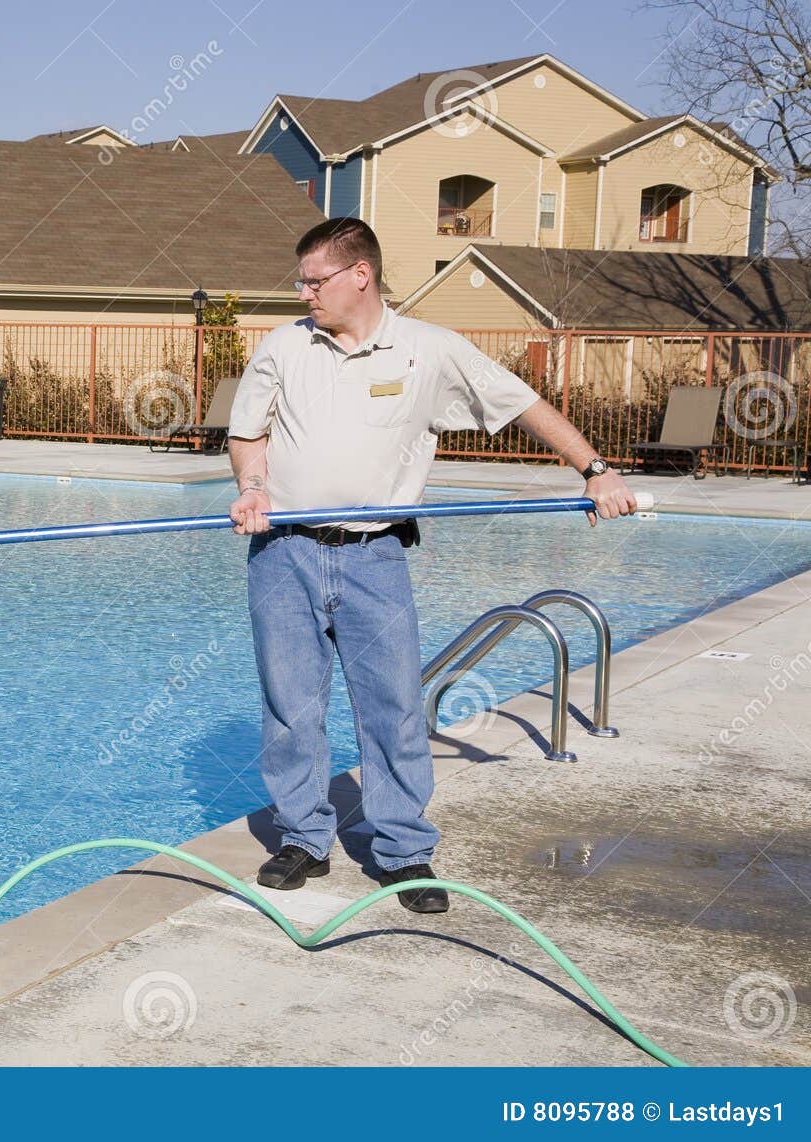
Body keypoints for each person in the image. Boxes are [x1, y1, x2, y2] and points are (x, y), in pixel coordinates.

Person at [227, 217, 637, 914]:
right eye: (301, 280)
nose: (304, 293)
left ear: (361, 275)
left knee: (391, 707)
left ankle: (403, 850)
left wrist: (594, 469)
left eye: (315, 280)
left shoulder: (429, 350)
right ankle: (303, 837)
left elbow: (525, 406)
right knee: (291, 709)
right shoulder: (284, 347)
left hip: (374, 555)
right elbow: (247, 433)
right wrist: (252, 486)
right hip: (283, 552)